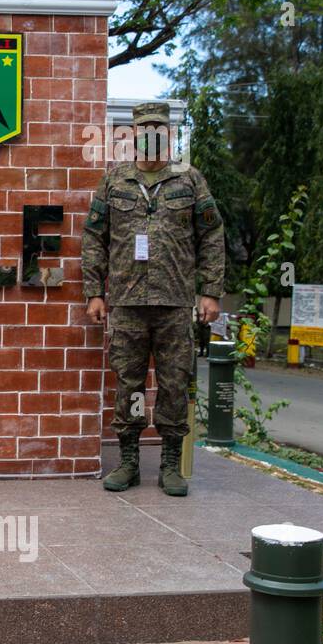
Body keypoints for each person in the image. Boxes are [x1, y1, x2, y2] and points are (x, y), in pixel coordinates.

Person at [82, 102, 225, 496]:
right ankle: (129, 462)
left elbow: (212, 237)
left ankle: (169, 465)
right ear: (133, 134)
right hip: (126, 301)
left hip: (175, 302)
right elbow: (95, 237)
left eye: (158, 127)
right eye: (143, 127)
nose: (151, 134)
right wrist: (94, 291)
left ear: (169, 133)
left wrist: (210, 291)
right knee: (128, 382)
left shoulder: (190, 180)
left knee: (175, 382)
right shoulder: (114, 182)